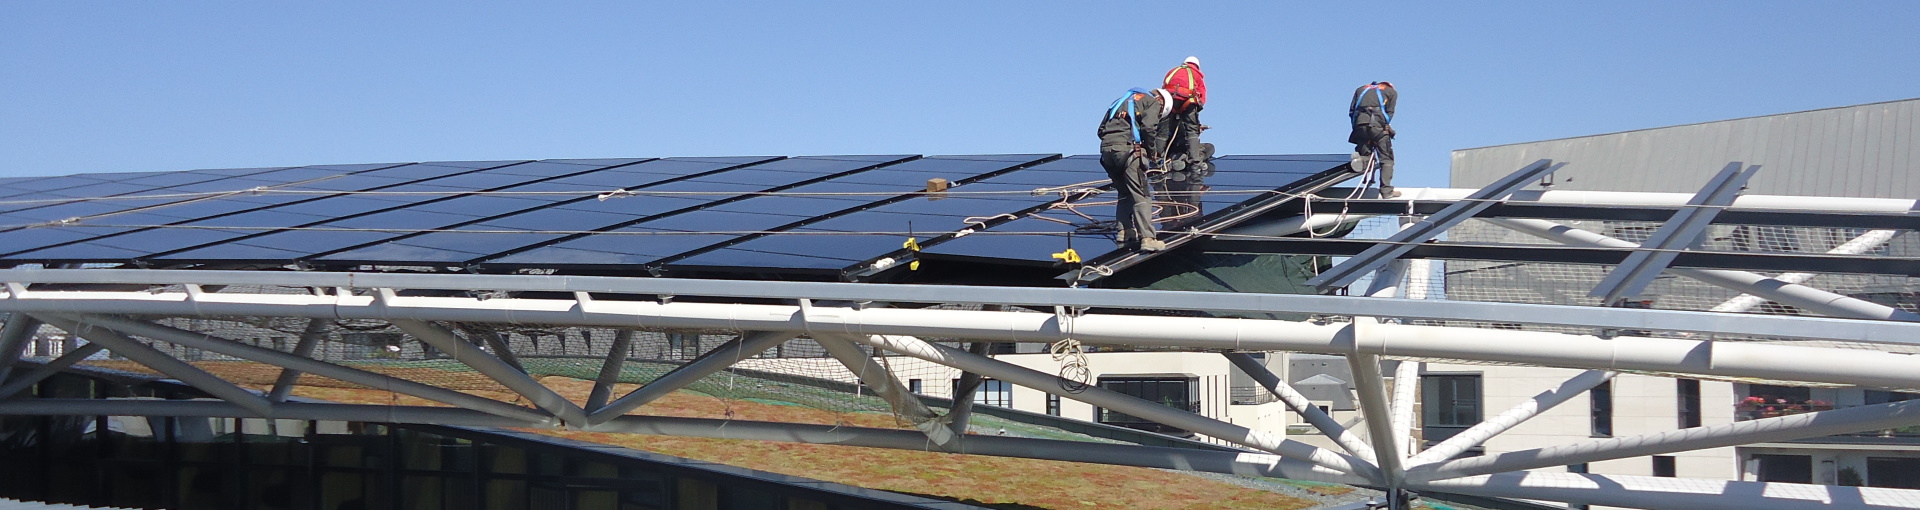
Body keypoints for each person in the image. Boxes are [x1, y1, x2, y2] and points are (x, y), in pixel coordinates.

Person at [1098, 87, 1180, 252]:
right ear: (1161, 102)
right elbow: (1148, 127)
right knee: (1142, 195)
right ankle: (1148, 238)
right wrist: (1151, 152)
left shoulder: (1118, 102)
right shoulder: (1152, 102)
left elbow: (1100, 131)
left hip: (1107, 153)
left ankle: (1124, 230)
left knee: (1124, 192)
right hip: (1129, 152)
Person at [1161, 57, 1215, 221]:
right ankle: (1194, 162)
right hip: (1188, 101)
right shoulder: (1197, 75)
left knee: (1164, 132)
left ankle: (1160, 159)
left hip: (1170, 101)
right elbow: (1202, 98)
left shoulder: (1173, 71)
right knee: (1194, 134)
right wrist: (1194, 116)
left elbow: (1164, 89)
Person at [1348, 81, 1398, 197]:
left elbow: (1352, 111)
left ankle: (1363, 166)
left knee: (1366, 154)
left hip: (1360, 126)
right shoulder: (1391, 92)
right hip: (1377, 127)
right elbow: (1389, 113)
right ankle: (1386, 191)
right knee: (1386, 159)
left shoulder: (1360, 89)